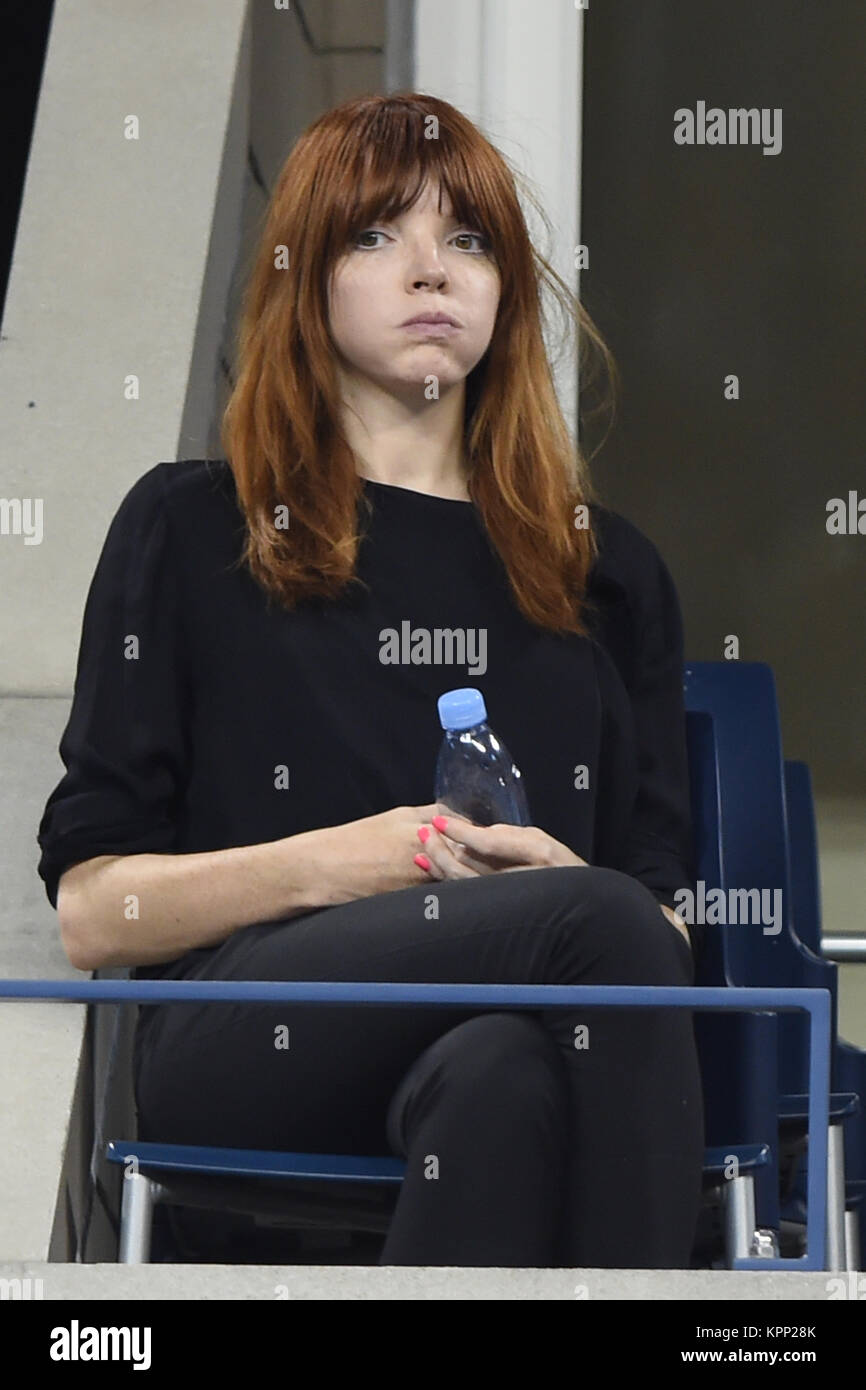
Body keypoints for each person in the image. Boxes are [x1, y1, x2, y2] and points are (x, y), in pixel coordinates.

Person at [37, 92, 704, 1269]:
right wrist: (359, 862)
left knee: (504, 1075)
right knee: (591, 930)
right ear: (307, 277)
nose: (429, 270)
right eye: (376, 234)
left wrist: (552, 888)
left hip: (511, 1038)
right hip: (251, 1036)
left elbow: (657, 924)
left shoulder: (606, 572)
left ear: (506, 290)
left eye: (467, 239)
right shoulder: (194, 527)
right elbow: (95, 912)